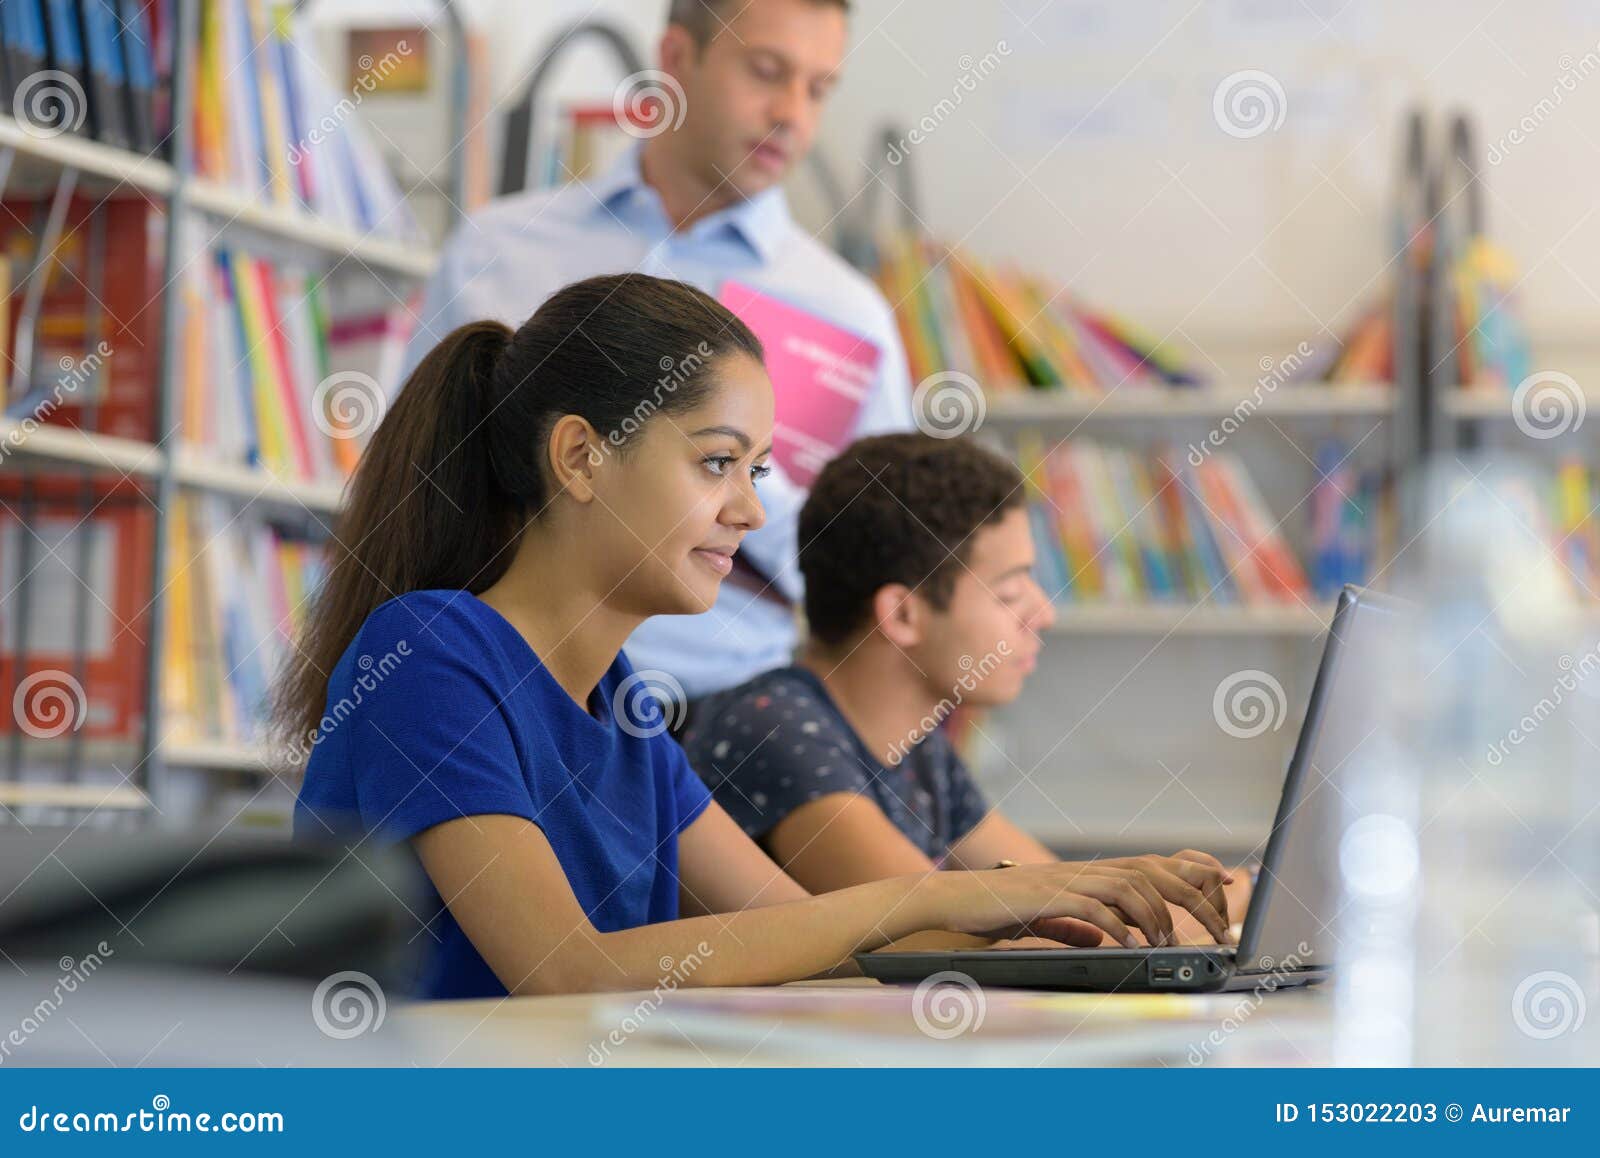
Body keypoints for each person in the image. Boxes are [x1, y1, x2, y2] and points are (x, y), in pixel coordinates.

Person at [281, 273, 1232, 1000]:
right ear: (580, 457)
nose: (749, 509)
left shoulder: (623, 704)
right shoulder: (430, 653)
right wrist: (952, 894)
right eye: (717, 463)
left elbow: (807, 936)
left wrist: (1074, 915)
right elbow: (566, 970)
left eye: (758, 470)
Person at [404, 0, 913, 702]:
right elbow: (414, 486)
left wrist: (728, 475)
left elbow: (874, 581)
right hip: (504, 685)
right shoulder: (498, 251)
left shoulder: (850, 315)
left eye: (819, 88)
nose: (792, 113)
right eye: (767, 71)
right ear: (676, 59)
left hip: (729, 715)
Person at [680, 432, 1249, 945]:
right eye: (1010, 593)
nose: (1043, 614)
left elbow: (1064, 906)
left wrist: (1214, 898)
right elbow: (954, 943)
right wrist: (1227, 901)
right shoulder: (776, 729)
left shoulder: (919, 748)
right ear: (903, 614)